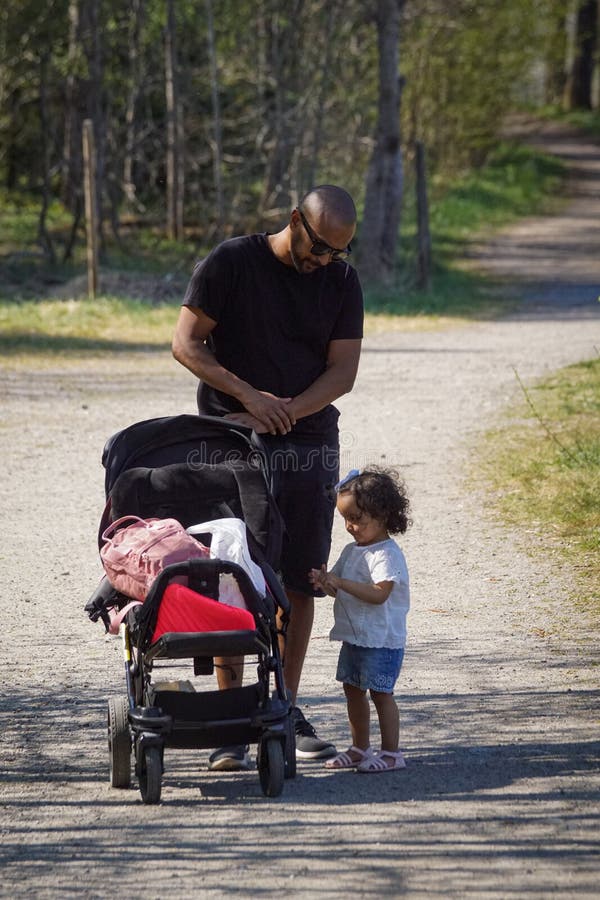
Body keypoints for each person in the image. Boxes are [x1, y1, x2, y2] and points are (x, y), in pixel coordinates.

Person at [172, 185, 364, 770]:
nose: (324, 260)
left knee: (300, 576)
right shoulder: (231, 262)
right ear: (293, 222)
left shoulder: (342, 281)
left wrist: (289, 410)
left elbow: (343, 371)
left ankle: (282, 705)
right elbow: (186, 343)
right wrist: (251, 398)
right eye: (319, 247)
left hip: (308, 440)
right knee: (231, 571)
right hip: (228, 435)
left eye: (337, 251)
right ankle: (231, 712)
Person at [309, 467, 411, 773]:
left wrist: (340, 584)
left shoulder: (387, 554)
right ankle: (359, 746)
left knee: (381, 694)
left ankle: (392, 752)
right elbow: (336, 590)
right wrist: (324, 582)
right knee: (352, 690)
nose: (350, 527)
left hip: (381, 640)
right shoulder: (351, 551)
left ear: (383, 516)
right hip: (354, 637)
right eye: (345, 520)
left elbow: (379, 594)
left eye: (357, 520)